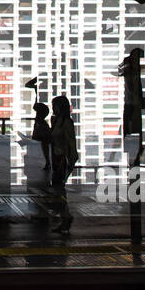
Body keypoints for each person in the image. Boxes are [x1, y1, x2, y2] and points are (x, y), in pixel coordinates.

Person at [49, 95, 78, 234]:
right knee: (58, 190)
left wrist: (71, 160)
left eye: (54, 106)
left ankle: (65, 217)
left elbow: (71, 142)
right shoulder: (56, 121)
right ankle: (64, 217)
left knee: (59, 189)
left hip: (62, 160)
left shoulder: (66, 122)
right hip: (56, 158)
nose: (53, 108)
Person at [31, 101, 52, 172]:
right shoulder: (41, 123)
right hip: (44, 138)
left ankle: (48, 162)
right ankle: (48, 162)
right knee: (45, 147)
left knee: (45, 147)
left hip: (44, 137)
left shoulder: (41, 124)